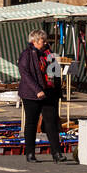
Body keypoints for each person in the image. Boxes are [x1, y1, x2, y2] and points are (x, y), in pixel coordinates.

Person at [17, 29, 66, 163]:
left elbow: (56, 73)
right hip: (31, 93)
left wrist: (58, 91)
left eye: (45, 40)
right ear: (34, 41)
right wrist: (37, 90)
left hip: (49, 92)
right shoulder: (27, 54)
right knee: (31, 123)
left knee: (51, 122)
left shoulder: (49, 53)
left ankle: (57, 153)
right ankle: (30, 153)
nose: (44, 42)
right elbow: (25, 73)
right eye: (42, 40)